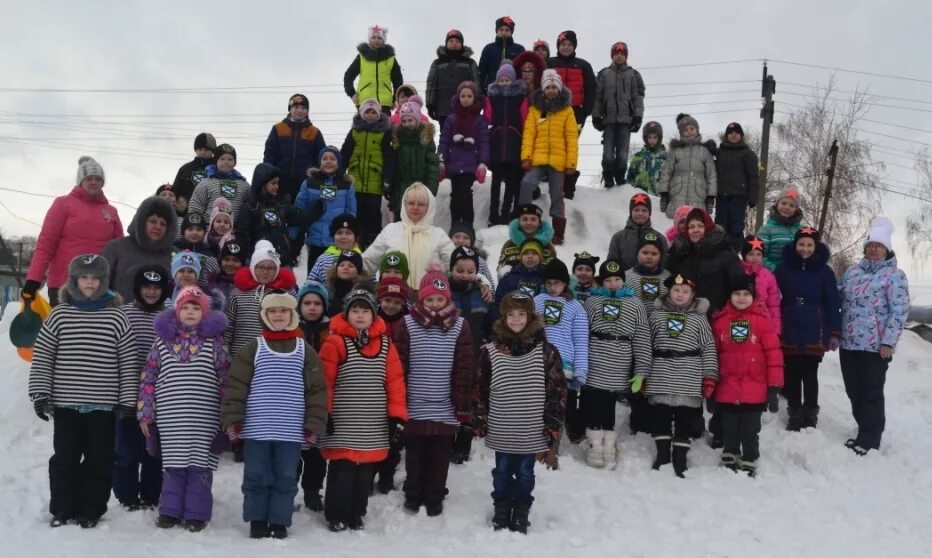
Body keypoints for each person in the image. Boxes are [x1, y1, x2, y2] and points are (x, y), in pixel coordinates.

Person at [28, 254, 136, 528]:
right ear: (74, 280)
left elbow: (128, 360)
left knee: (99, 459)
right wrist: (40, 393)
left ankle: (90, 509)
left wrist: (127, 400)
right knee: (65, 458)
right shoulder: (60, 314)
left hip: (103, 405)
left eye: (95, 278)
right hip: (66, 403)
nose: (89, 282)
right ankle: (62, 508)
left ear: (103, 280)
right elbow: (43, 355)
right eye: (84, 277)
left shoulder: (116, 316)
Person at [222, 292, 328, 539]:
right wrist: (233, 420)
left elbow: (316, 390)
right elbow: (237, 386)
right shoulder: (253, 348)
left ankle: (279, 521)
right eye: (272, 311)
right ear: (264, 315)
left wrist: (313, 423)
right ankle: (257, 519)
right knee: (256, 475)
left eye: (284, 311)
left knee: (286, 476)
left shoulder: (305, 350)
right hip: (257, 428)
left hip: (290, 430)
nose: (278, 315)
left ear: (292, 315)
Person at [138, 286, 230, 532]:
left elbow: (226, 380)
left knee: (200, 465)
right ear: (176, 311)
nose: (190, 312)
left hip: (205, 417)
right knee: (174, 464)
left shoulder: (216, 343)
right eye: (185, 307)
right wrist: (146, 413)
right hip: (171, 417)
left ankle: (196, 513)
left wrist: (227, 414)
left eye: (196, 308)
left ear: (205, 312)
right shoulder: (161, 342)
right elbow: (148, 378)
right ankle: (169, 510)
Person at [473, 291, 566, 533]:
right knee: (502, 471)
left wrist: (552, 423)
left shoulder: (546, 351)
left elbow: (556, 391)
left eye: (521, 314)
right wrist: (481, 418)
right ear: (503, 318)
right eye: (510, 315)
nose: (516, 319)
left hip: (531, 427)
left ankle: (521, 510)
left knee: (525, 473)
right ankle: (501, 508)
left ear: (530, 316)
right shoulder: (491, 351)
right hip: (502, 426)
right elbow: (480, 387)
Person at [318, 289, 408, 532]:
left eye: (365, 311)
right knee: (342, 470)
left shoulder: (386, 344)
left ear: (373, 314)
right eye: (354, 311)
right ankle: (337, 513)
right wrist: (323, 412)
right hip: (342, 419)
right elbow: (324, 381)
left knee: (365, 471)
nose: (359, 315)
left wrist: (397, 416)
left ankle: (357, 512)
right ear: (346, 314)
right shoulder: (334, 341)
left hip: (373, 420)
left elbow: (395, 382)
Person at [393, 265, 475, 516]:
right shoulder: (407, 323)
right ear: (422, 298)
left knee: (440, 454)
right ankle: (413, 492)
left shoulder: (460, 325)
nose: (436, 303)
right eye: (430, 298)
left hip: (444, 403)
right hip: (415, 401)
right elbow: (400, 363)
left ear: (447, 298)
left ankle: (435, 494)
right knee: (415, 453)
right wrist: (400, 399)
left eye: (440, 299)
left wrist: (461, 402)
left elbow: (464, 365)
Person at [839, 218, 909, 455]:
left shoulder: (894, 276)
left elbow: (899, 311)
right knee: (853, 390)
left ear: (887, 249)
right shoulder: (852, 273)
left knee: (871, 393)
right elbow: (836, 299)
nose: (874, 249)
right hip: (848, 344)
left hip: (875, 347)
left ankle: (870, 438)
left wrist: (889, 341)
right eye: (871, 245)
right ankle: (863, 430)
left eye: (879, 245)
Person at [642, 273, 718, 478]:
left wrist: (709, 376)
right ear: (669, 292)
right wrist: (643, 373)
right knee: (661, 417)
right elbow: (645, 345)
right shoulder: (656, 316)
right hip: (661, 373)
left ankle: (680, 457)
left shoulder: (700, 319)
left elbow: (709, 348)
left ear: (693, 295)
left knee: (685, 420)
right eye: (676, 290)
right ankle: (663, 454)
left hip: (689, 374)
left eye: (685, 291)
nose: (680, 294)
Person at [24, 156, 124, 306]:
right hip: (64, 285)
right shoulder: (62, 204)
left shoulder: (111, 211)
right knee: (66, 328)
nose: (93, 182)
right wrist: (33, 279)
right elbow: (46, 244)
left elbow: (120, 251)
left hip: (97, 287)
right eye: (89, 178)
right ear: (80, 181)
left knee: (96, 330)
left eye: (98, 178)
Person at [711, 274, 783, 476]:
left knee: (750, 429)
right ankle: (730, 452)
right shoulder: (720, 322)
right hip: (727, 387)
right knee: (730, 426)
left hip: (755, 388)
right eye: (736, 293)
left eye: (746, 294)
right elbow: (713, 355)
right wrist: (711, 387)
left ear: (753, 297)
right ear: (729, 296)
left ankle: (750, 455)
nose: (741, 298)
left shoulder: (762, 321)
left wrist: (774, 388)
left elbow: (774, 355)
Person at [580, 259, 650, 468]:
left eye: (617, 279)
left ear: (623, 280)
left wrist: (641, 371)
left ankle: (608, 445)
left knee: (609, 401)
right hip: (596, 356)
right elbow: (582, 333)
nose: (613, 284)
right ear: (602, 282)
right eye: (608, 280)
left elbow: (642, 338)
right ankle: (595, 444)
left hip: (620, 359)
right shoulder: (592, 302)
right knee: (594, 399)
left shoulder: (635, 304)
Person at [775, 227, 841, 431]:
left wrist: (834, 332)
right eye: (801, 244)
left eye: (809, 245)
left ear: (816, 246)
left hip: (815, 327)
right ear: (795, 246)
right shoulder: (783, 268)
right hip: (790, 325)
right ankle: (794, 413)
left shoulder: (824, 271)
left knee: (810, 373)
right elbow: (772, 297)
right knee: (793, 373)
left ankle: (810, 413)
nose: (805, 248)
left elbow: (832, 302)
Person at [114, 265, 170, 512]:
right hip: (126, 392)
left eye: (156, 287)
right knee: (126, 450)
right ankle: (127, 497)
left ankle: (151, 496)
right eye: (146, 286)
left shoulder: (171, 316)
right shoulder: (122, 313)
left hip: (159, 395)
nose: (151, 292)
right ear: (138, 288)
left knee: (154, 452)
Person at [518, 69, 578, 246]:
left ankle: (558, 232)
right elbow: (529, 134)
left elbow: (572, 138)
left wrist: (571, 162)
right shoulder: (535, 110)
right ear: (543, 89)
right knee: (527, 184)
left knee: (556, 194)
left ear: (559, 89)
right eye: (548, 87)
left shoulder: (567, 111)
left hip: (558, 161)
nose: (551, 90)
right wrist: (526, 156)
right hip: (538, 158)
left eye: (554, 87)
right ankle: (524, 221)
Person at [534, 259, 589, 447]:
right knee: (540, 401)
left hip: (565, 363)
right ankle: (539, 437)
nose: (552, 287)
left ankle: (573, 436)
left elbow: (581, 340)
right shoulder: (536, 301)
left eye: (556, 282)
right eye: (548, 283)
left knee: (567, 403)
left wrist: (581, 369)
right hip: (539, 361)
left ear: (565, 283)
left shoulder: (575, 306)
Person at [363, 183, 455, 291]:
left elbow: (456, 264)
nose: (415, 207)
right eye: (411, 203)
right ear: (404, 205)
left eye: (421, 204)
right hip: (393, 298)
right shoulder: (391, 230)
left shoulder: (438, 234)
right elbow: (369, 261)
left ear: (429, 207)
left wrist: (479, 281)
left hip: (429, 300)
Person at [448, 245, 492, 464]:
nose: (465, 275)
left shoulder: (482, 293)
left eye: (470, 270)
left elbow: (492, 322)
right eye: (460, 270)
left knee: (469, 399)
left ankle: (464, 441)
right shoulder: (444, 292)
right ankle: (446, 438)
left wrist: (488, 342)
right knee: (449, 396)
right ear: (451, 269)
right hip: (450, 355)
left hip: (476, 353)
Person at [225, 240, 299, 357]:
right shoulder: (237, 293)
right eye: (260, 267)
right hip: (240, 353)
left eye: (270, 268)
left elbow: (294, 324)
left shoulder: (286, 294)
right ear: (253, 267)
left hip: (273, 355)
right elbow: (228, 325)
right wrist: (225, 349)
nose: (265, 272)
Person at [546, 30, 596, 199]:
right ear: (558, 46)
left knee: (570, 146)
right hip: (554, 109)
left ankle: (568, 184)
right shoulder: (550, 63)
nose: (566, 47)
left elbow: (591, 88)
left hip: (575, 111)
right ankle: (552, 178)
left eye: (569, 45)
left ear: (574, 46)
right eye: (562, 45)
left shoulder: (583, 65)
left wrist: (586, 110)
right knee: (554, 144)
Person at [666, 208, 743, 315]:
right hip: (686, 316)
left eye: (700, 226)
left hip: (717, 315)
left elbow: (740, 286)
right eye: (691, 227)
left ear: (708, 226)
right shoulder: (679, 252)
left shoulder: (726, 254)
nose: (695, 230)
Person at [296, 281, 331, 512]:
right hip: (295, 398)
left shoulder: (331, 331)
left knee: (316, 453)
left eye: (317, 303)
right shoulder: (292, 329)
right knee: (293, 452)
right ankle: (287, 490)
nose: (311, 308)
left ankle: (312, 490)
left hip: (320, 399)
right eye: (307, 303)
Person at [102, 196, 178, 303]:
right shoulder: (116, 247)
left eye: (163, 223)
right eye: (152, 221)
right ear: (141, 221)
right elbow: (101, 285)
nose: (158, 227)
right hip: (121, 316)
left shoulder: (175, 255)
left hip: (160, 318)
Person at [341, 99, 395, 249]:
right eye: (367, 112)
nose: (370, 115)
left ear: (378, 115)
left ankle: (373, 244)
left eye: (373, 112)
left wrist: (387, 179)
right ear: (361, 113)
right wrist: (340, 174)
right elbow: (345, 153)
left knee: (373, 214)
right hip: (355, 180)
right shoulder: (354, 132)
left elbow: (389, 158)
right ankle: (357, 243)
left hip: (375, 181)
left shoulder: (384, 133)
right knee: (357, 213)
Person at [591, 42, 645, 188]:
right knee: (608, 154)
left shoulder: (633, 74)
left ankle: (620, 177)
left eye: (622, 53)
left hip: (626, 121)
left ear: (626, 56)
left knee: (622, 155)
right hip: (608, 120)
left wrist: (638, 117)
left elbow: (638, 98)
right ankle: (608, 175)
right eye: (616, 53)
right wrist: (596, 116)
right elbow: (597, 97)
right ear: (612, 55)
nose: (619, 56)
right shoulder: (604, 74)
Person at [439, 81, 491, 226]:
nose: (466, 99)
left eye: (469, 96)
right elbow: (444, 140)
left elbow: (484, 143)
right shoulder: (451, 119)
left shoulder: (480, 121)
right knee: (455, 195)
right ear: (458, 97)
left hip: (470, 164)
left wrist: (482, 163)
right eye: (463, 96)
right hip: (454, 164)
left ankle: (467, 226)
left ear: (475, 98)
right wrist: (442, 160)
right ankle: (455, 225)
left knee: (466, 195)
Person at [295, 147, 357, 267]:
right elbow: (299, 209)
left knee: (335, 276)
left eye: (332, 159)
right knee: (315, 274)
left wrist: (349, 235)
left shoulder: (346, 185)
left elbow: (351, 212)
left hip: (338, 240)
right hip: (315, 239)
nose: (328, 161)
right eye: (325, 159)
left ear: (338, 163)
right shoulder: (309, 183)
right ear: (320, 162)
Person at [238, 162, 305, 268]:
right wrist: (247, 258)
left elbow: (300, 219)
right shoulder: (250, 207)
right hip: (258, 262)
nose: (277, 186)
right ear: (262, 183)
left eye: (278, 183)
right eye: (273, 183)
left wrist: (290, 243)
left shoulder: (282, 204)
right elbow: (242, 237)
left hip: (283, 260)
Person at [263, 94, 327, 201]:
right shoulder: (278, 128)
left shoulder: (314, 132)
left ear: (307, 111)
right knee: (281, 210)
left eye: (303, 108)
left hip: (305, 182)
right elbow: (269, 154)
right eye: (296, 107)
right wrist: (268, 176)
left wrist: (315, 177)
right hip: (280, 181)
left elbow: (320, 158)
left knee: (300, 210)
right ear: (290, 110)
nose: (299, 111)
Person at [485, 63, 527, 225]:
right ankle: (493, 214)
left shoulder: (520, 97)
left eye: (507, 80)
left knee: (511, 183)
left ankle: (505, 214)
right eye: (501, 80)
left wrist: (520, 136)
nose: (504, 83)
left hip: (514, 144)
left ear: (513, 81)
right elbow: (487, 119)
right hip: (496, 145)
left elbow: (525, 119)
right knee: (495, 184)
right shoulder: (492, 98)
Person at [657, 116, 717, 219]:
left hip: (698, 198)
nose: (689, 132)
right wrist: (664, 193)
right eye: (685, 130)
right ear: (681, 133)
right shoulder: (675, 151)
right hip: (677, 197)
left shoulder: (705, 152)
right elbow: (666, 172)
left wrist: (711, 196)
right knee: (676, 224)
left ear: (697, 130)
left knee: (695, 224)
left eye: (692, 129)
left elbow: (711, 175)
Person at [390, 99, 440, 220]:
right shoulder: (397, 139)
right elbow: (393, 165)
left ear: (417, 119)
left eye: (410, 120)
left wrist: (431, 189)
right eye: (404, 121)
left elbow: (432, 165)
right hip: (402, 187)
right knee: (401, 219)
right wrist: (392, 189)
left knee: (420, 219)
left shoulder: (425, 140)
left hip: (421, 187)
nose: (407, 123)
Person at [715, 122, 760, 251]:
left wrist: (753, 196)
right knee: (720, 224)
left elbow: (754, 176)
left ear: (741, 135)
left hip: (739, 196)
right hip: (722, 195)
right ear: (726, 136)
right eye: (730, 133)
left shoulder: (747, 154)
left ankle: (735, 251)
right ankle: (719, 250)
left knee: (736, 225)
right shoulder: (719, 152)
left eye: (737, 133)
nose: (733, 135)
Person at [426, 29, 480, 128]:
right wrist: (430, 104)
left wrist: (477, 103)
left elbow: (476, 82)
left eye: (457, 41)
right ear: (446, 43)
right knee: (446, 137)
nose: (454, 43)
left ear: (461, 44)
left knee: (466, 136)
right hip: (443, 108)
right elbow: (431, 83)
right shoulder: (437, 63)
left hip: (465, 107)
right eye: (451, 41)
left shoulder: (470, 62)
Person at [343, 25, 404, 112]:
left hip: (384, 104)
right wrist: (352, 93)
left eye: (379, 38)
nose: (376, 40)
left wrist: (395, 99)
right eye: (373, 37)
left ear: (383, 40)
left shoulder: (391, 59)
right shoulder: (361, 57)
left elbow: (398, 81)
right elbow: (348, 76)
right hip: (364, 103)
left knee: (385, 126)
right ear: (369, 39)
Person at [187, 144, 251, 223]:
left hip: (235, 232)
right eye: (222, 159)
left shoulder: (244, 185)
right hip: (209, 232)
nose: (226, 162)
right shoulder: (205, 183)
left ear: (235, 162)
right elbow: (196, 206)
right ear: (216, 161)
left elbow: (250, 206)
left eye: (230, 159)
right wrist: (197, 227)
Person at [607, 192, 668, 270]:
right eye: (636, 210)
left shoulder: (659, 238)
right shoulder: (618, 238)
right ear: (630, 212)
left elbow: (664, 266)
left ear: (649, 213)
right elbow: (612, 266)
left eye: (644, 210)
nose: (640, 213)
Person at [497, 203, 556, 276]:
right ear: (519, 222)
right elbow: (501, 271)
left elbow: (554, 273)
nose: (528, 223)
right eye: (525, 219)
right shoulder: (509, 244)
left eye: (533, 219)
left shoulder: (548, 246)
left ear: (539, 223)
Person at [757, 187, 805, 271]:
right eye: (783, 203)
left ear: (796, 209)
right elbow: (759, 256)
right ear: (777, 204)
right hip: (773, 277)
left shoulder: (802, 231)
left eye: (792, 205)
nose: (787, 207)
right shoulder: (766, 230)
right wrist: (777, 270)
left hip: (796, 275)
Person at [740, 235, 781, 333]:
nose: (755, 258)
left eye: (759, 254)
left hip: (762, 320)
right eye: (751, 254)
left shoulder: (769, 276)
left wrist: (775, 330)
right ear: (744, 255)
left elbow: (773, 305)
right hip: (741, 320)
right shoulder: (737, 272)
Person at [306, 214, 363, 284]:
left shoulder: (363, 259)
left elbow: (371, 285)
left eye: (348, 233)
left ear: (356, 237)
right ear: (333, 236)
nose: (343, 237)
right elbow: (310, 284)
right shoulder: (323, 260)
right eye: (339, 233)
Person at [624, 233, 671, 318]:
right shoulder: (625, 277)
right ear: (637, 254)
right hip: (634, 324)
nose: (649, 257)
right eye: (645, 253)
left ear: (660, 256)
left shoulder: (669, 277)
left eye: (654, 254)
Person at [477, 16, 525, 93]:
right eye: (501, 29)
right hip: (492, 91)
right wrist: (482, 90)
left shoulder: (519, 49)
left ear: (511, 32)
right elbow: (482, 72)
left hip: (514, 91)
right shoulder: (488, 48)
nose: (504, 32)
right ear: (497, 31)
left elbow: (522, 71)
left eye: (507, 30)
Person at [495, 240, 546, 307]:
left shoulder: (547, 279)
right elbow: (497, 303)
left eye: (534, 253)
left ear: (540, 257)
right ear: (521, 257)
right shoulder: (509, 278)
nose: (530, 256)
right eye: (525, 253)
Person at [172, 133, 216, 208]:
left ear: (212, 151)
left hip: (214, 212)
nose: (202, 152)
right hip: (188, 212)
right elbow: (175, 190)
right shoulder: (185, 169)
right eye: (200, 149)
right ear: (195, 150)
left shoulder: (219, 168)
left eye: (206, 149)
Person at [449, 222, 496, 290]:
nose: (461, 241)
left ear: (471, 242)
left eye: (466, 238)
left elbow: (491, 286)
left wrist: (486, 288)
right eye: (457, 236)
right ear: (450, 239)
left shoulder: (480, 261)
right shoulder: (445, 258)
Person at [325, 250, 373, 317]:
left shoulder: (364, 292)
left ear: (358, 271)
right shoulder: (327, 289)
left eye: (350, 266)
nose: (345, 268)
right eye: (342, 265)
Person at [626, 121, 667, 195]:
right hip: (641, 198)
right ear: (645, 139)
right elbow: (630, 177)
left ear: (659, 138)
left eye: (655, 137)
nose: (652, 140)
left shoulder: (666, 157)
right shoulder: (638, 157)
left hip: (660, 198)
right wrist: (629, 194)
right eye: (649, 137)